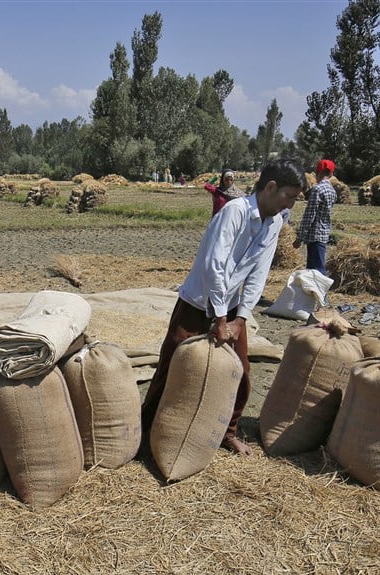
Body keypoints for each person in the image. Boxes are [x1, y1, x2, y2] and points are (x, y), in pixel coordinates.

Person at [140, 158, 305, 456]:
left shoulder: (275, 222)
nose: (291, 205)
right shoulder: (235, 212)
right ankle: (145, 432)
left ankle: (228, 432)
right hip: (197, 302)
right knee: (171, 368)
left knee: (240, 373)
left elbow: (258, 272)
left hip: (229, 307)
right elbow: (214, 266)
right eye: (289, 197)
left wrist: (240, 318)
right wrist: (217, 317)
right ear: (270, 187)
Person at [293, 159, 337, 275]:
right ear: (331, 174)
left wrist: (300, 238)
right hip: (324, 233)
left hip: (314, 235)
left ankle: (322, 293)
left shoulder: (317, 190)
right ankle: (313, 293)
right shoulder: (332, 190)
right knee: (313, 272)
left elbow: (309, 215)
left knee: (317, 271)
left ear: (318, 173)